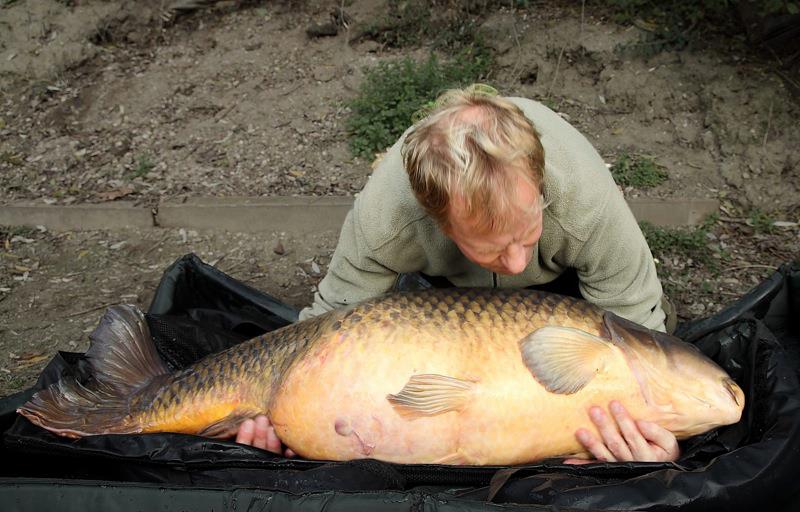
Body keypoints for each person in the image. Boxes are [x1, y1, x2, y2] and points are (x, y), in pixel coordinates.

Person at [236, 84, 680, 463]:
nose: (516, 263)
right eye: (490, 248)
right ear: (440, 224)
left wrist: (651, 432)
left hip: (566, 288)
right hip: (447, 296)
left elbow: (639, 332)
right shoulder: (388, 219)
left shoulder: (587, 204)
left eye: (527, 235)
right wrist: (277, 410)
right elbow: (326, 324)